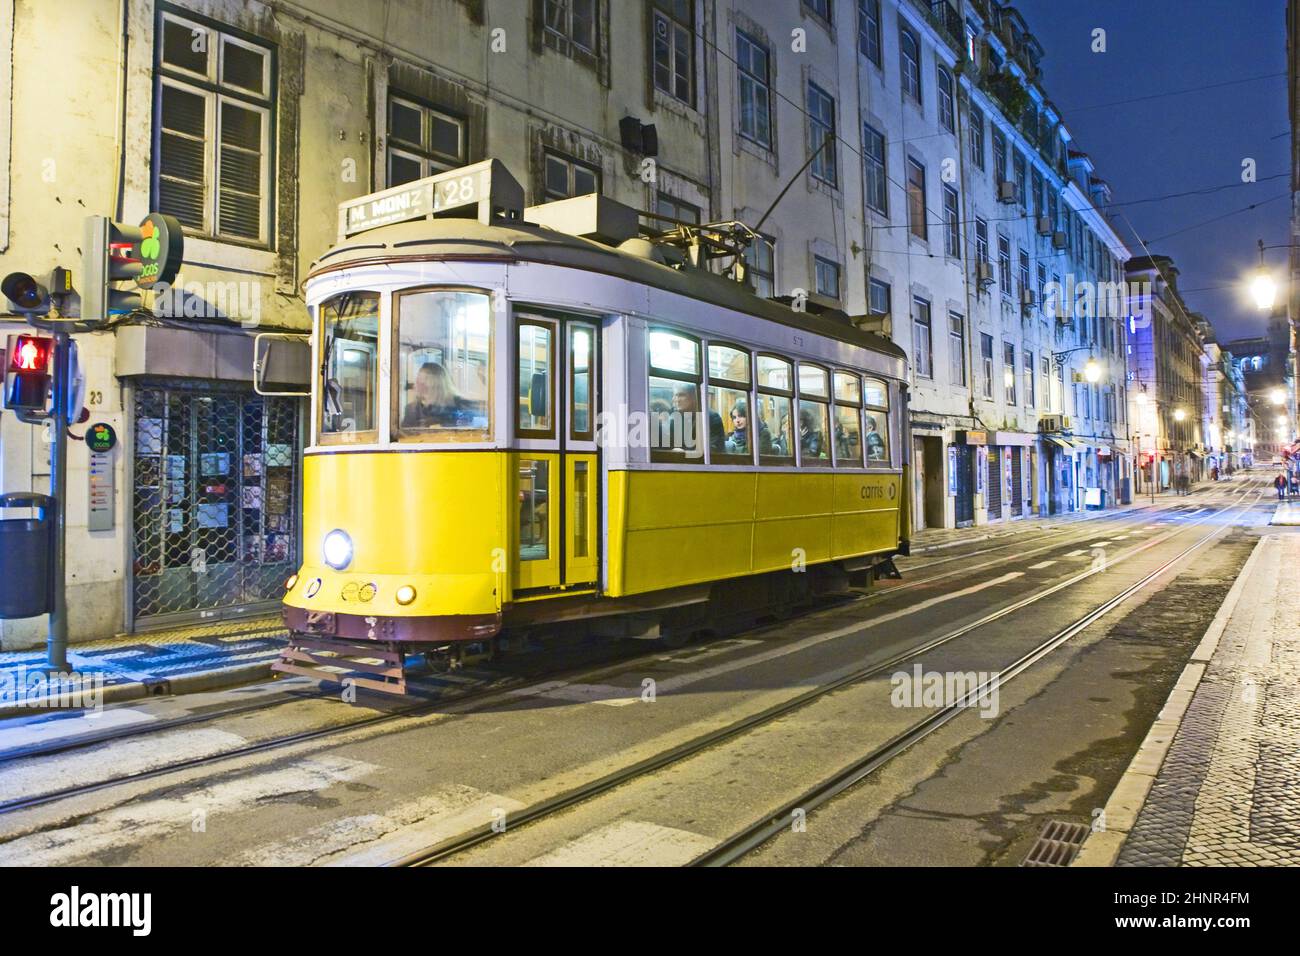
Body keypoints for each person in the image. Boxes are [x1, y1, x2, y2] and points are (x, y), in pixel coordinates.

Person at [402, 362, 461, 428]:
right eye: (418, 379)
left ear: (435, 383)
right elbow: (404, 435)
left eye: (423, 379)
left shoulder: (455, 406)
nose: (417, 384)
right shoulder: (411, 409)